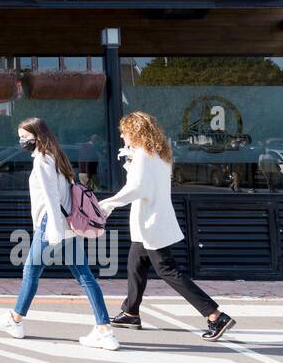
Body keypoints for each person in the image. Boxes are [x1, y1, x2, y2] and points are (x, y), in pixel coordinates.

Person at [100, 112, 237, 341]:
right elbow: (147, 182)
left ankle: (215, 315)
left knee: (168, 270)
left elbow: (137, 188)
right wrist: (131, 161)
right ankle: (131, 312)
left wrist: (108, 204)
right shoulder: (158, 153)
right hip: (151, 221)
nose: (122, 136)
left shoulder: (144, 155)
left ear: (135, 132)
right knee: (136, 264)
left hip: (151, 222)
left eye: (124, 132)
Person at [0, 117, 119, 350]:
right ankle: (105, 330)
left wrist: (53, 231)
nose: (22, 141)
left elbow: (51, 198)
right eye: (20, 137)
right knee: (84, 276)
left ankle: (15, 320)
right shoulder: (58, 157)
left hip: (53, 224)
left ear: (38, 136)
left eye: (25, 137)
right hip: (68, 224)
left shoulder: (42, 161)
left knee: (31, 270)